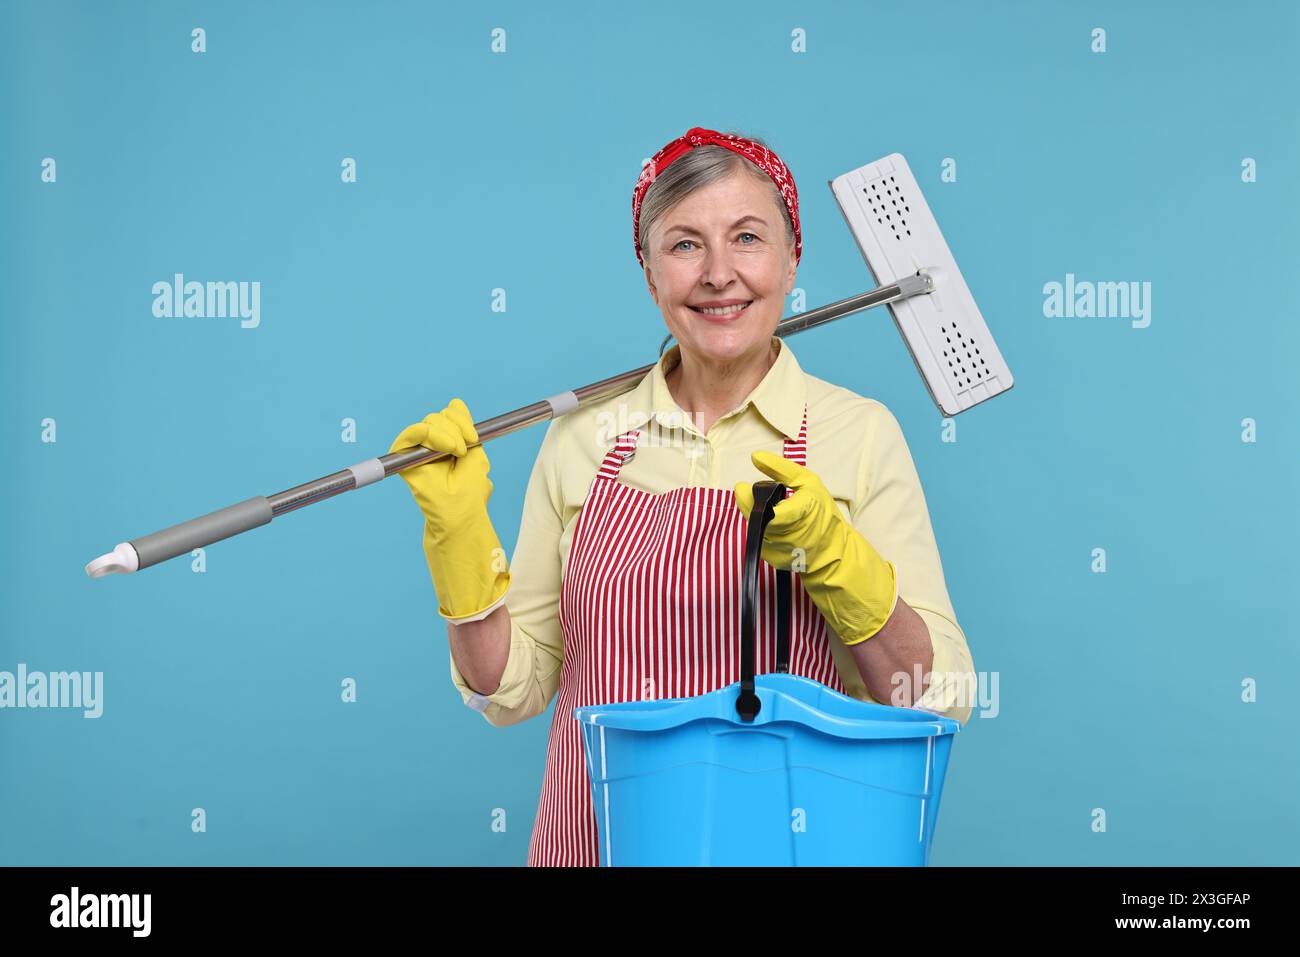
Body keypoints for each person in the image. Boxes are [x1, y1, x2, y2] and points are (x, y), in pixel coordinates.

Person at [388, 126, 976, 867]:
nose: (719, 274)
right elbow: (513, 689)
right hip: (597, 842)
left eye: (748, 237)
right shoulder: (583, 440)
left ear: (794, 258)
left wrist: (838, 558)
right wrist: (460, 543)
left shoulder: (857, 434)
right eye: (685, 244)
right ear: (649, 272)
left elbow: (937, 695)